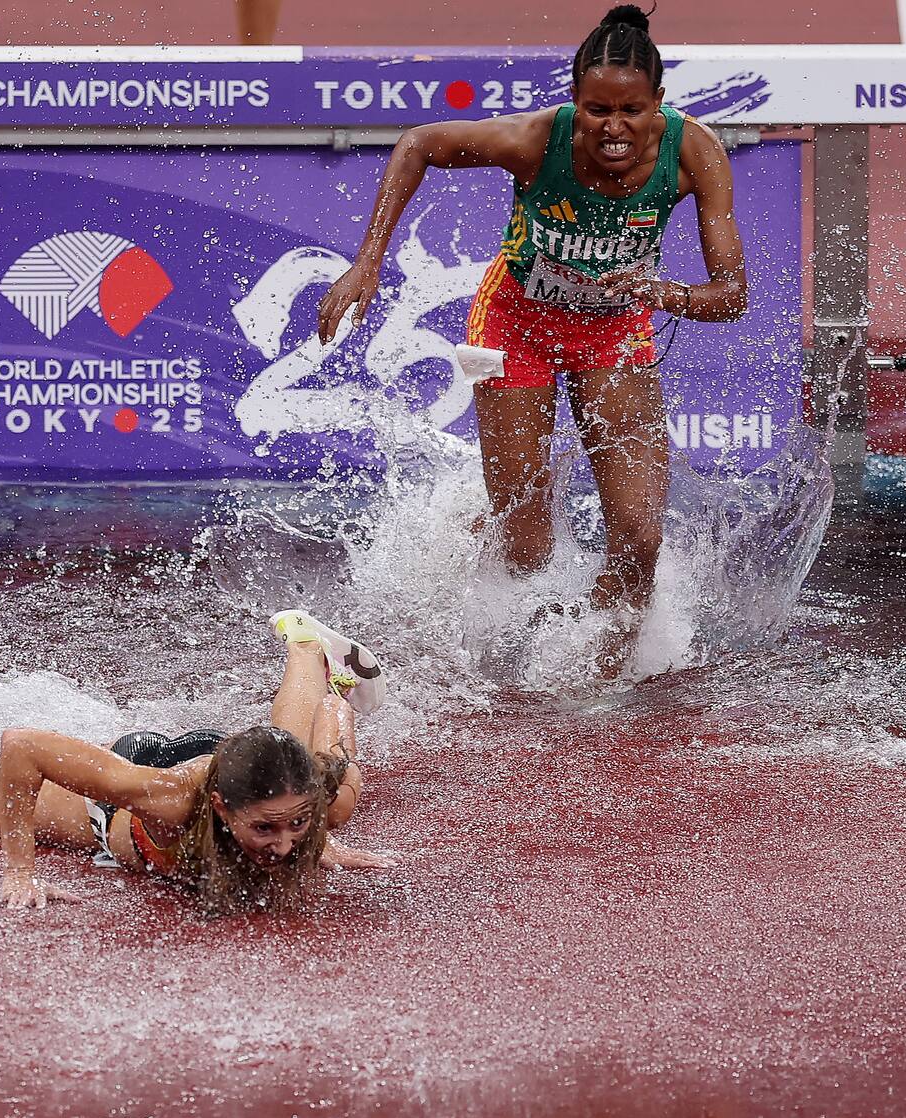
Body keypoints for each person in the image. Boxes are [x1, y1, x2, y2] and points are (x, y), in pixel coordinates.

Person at [317, 4, 747, 674]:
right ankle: (449, 557)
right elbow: (419, 143)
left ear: (658, 104)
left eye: (631, 111)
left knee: (639, 535)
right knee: (526, 546)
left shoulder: (694, 154)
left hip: (613, 333)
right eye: (597, 110)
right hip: (515, 326)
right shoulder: (534, 140)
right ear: (575, 102)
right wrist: (368, 261)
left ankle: (603, 672)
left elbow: (732, 297)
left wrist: (669, 294)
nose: (613, 129)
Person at [0, 611, 393, 915]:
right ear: (223, 808)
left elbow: (320, 751)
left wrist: (315, 839)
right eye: (266, 828)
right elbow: (23, 746)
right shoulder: (167, 798)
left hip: (248, 764)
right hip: (126, 792)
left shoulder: (306, 796)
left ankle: (310, 649)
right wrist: (20, 865)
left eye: (293, 826)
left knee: (327, 775)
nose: (282, 844)